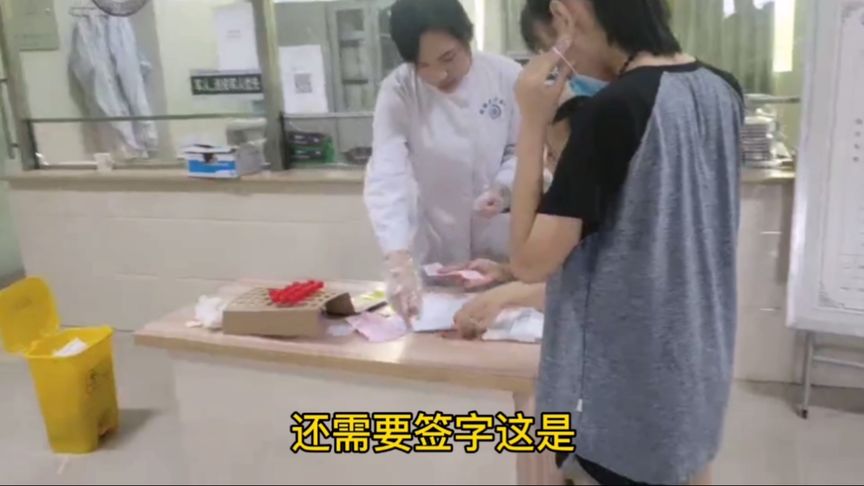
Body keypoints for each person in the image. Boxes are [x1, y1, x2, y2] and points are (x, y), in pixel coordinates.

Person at [508, 0, 744, 485]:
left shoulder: (613, 110)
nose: (562, 65)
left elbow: (528, 262)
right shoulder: (723, 89)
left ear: (570, 12)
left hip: (617, 403)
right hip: (696, 372)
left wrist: (532, 123)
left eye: (553, 46)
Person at [363, 0, 524, 323]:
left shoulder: (506, 75)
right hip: (438, 249)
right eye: (423, 65)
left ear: (467, 36)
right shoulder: (399, 90)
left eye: (448, 58)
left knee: (503, 329)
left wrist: (503, 188)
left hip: (501, 254)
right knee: (438, 333)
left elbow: (525, 151)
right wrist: (398, 257)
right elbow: (387, 171)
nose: (438, 74)